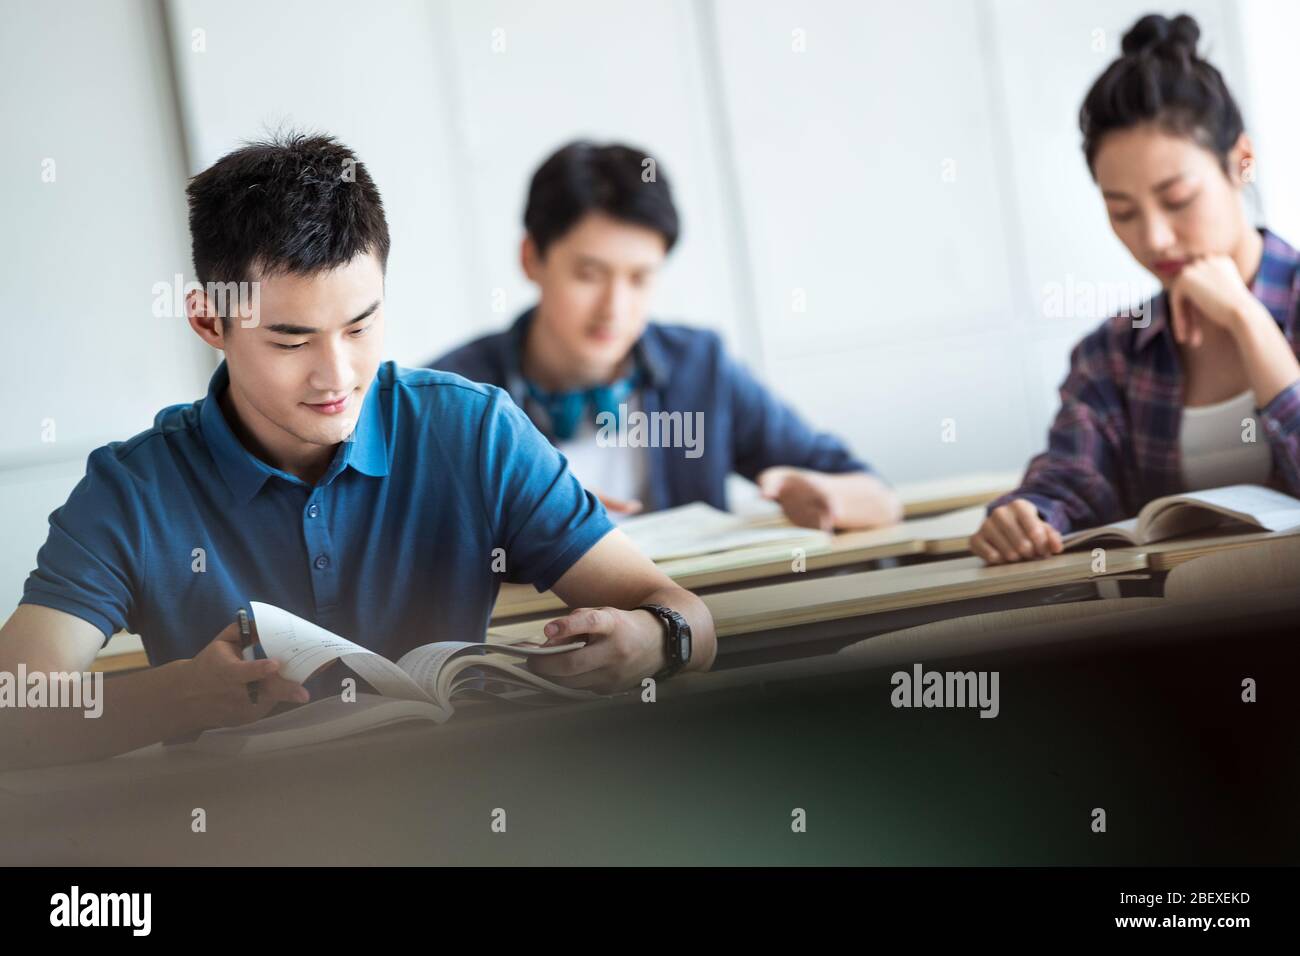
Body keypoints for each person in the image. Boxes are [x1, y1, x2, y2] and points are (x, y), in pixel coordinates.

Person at [0, 133, 715, 770]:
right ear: (207, 320)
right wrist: (175, 698)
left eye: (361, 324)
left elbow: (685, 614)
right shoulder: (133, 491)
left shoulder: (472, 432)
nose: (337, 376)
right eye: (290, 340)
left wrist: (658, 641)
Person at [431, 141, 900, 532]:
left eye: (640, 278)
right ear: (531, 258)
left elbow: (878, 497)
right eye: (589, 275)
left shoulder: (700, 367)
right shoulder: (450, 394)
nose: (614, 308)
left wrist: (828, 501)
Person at [972, 13, 1300, 565]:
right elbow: (1069, 483)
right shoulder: (1114, 354)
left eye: (1177, 200)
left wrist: (1248, 322)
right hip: (1173, 638)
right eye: (1121, 212)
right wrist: (1026, 515)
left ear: (1241, 161)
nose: (1154, 238)